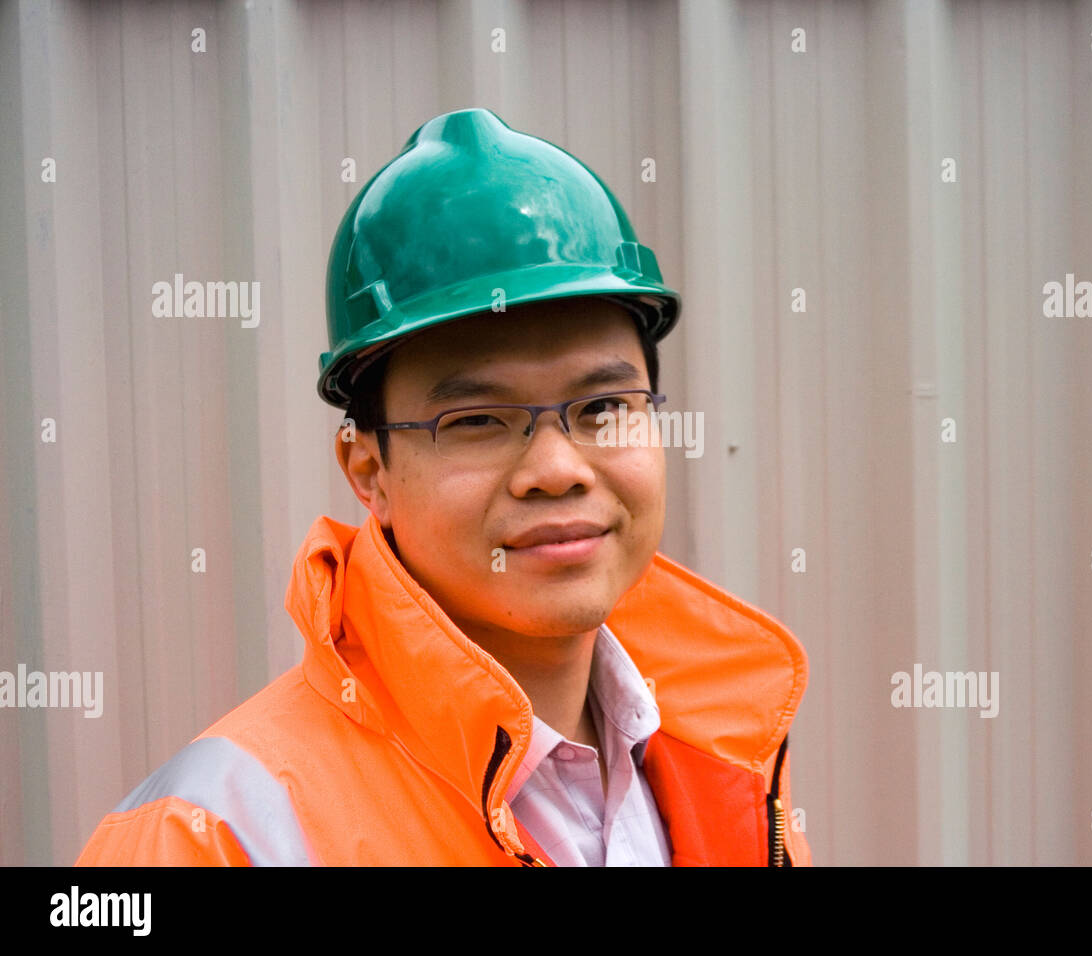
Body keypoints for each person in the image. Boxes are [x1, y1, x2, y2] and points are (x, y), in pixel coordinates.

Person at [76, 108, 811, 866]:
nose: (557, 469)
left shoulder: (727, 761)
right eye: (477, 421)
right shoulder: (209, 837)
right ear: (369, 472)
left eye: (601, 408)